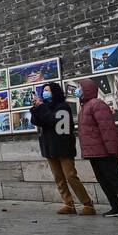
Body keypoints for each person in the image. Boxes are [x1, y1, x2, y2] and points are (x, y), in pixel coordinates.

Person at [77, 79, 118, 220]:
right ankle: (116, 207)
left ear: (87, 89)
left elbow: (108, 130)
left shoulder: (97, 104)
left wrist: (112, 150)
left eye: (80, 87)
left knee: (116, 180)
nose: (78, 90)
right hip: (94, 152)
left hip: (104, 152)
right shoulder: (85, 107)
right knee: (104, 181)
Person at [30, 82, 96, 215]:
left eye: (48, 90)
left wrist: (41, 107)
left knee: (70, 176)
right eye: (44, 90)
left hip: (63, 147)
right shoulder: (46, 107)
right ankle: (68, 203)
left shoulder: (62, 107)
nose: (45, 93)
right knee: (58, 178)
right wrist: (36, 108)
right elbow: (37, 121)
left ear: (55, 92)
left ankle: (87, 203)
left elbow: (53, 121)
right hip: (49, 147)